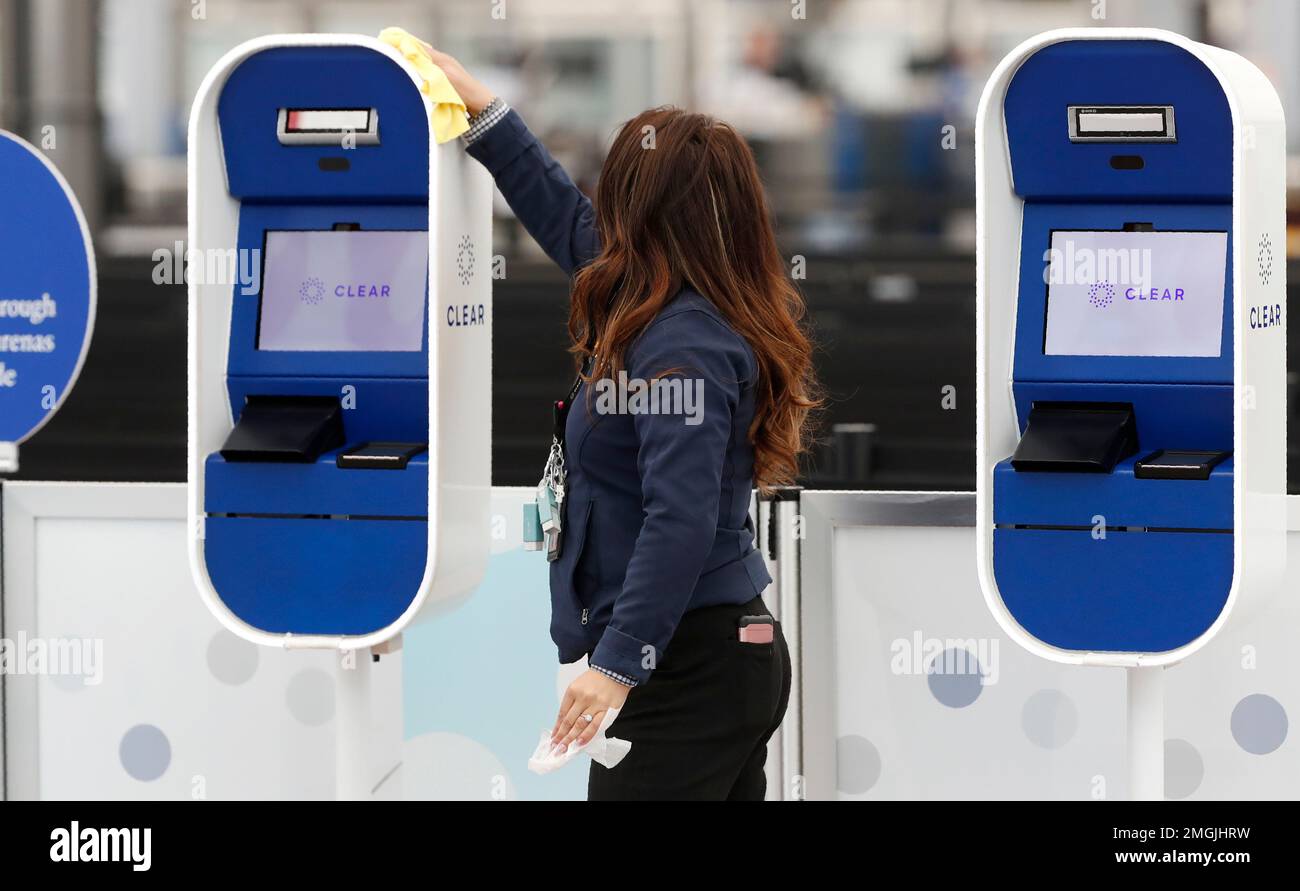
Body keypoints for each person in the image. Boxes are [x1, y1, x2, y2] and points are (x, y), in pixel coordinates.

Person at [416, 41, 819, 800]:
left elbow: (682, 516)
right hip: (714, 654)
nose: (601, 207)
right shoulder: (659, 298)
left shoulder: (684, 345)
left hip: (691, 668)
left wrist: (615, 665)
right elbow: (562, 217)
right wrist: (484, 111)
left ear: (645, 210)